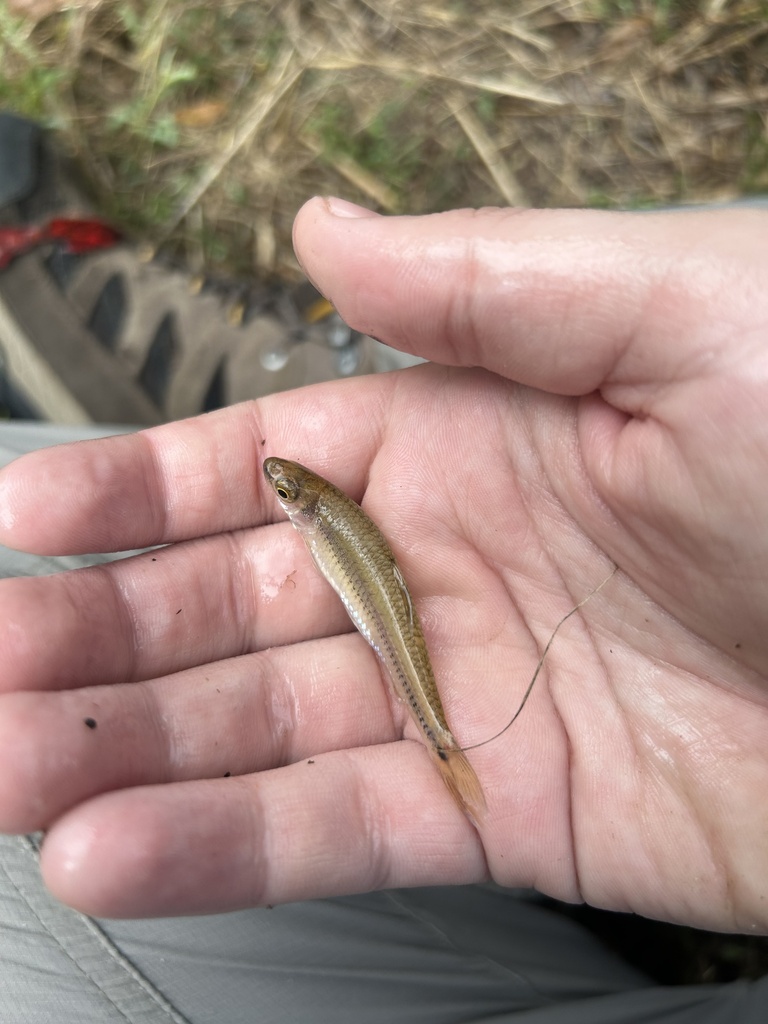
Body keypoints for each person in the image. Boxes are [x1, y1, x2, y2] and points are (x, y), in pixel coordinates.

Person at [1, 196, 768, 1021]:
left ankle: (460, 775)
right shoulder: (324, 513)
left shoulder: (323, 514)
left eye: (284, 488)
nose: (279, 489)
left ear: (303, 502)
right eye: (286, 487)